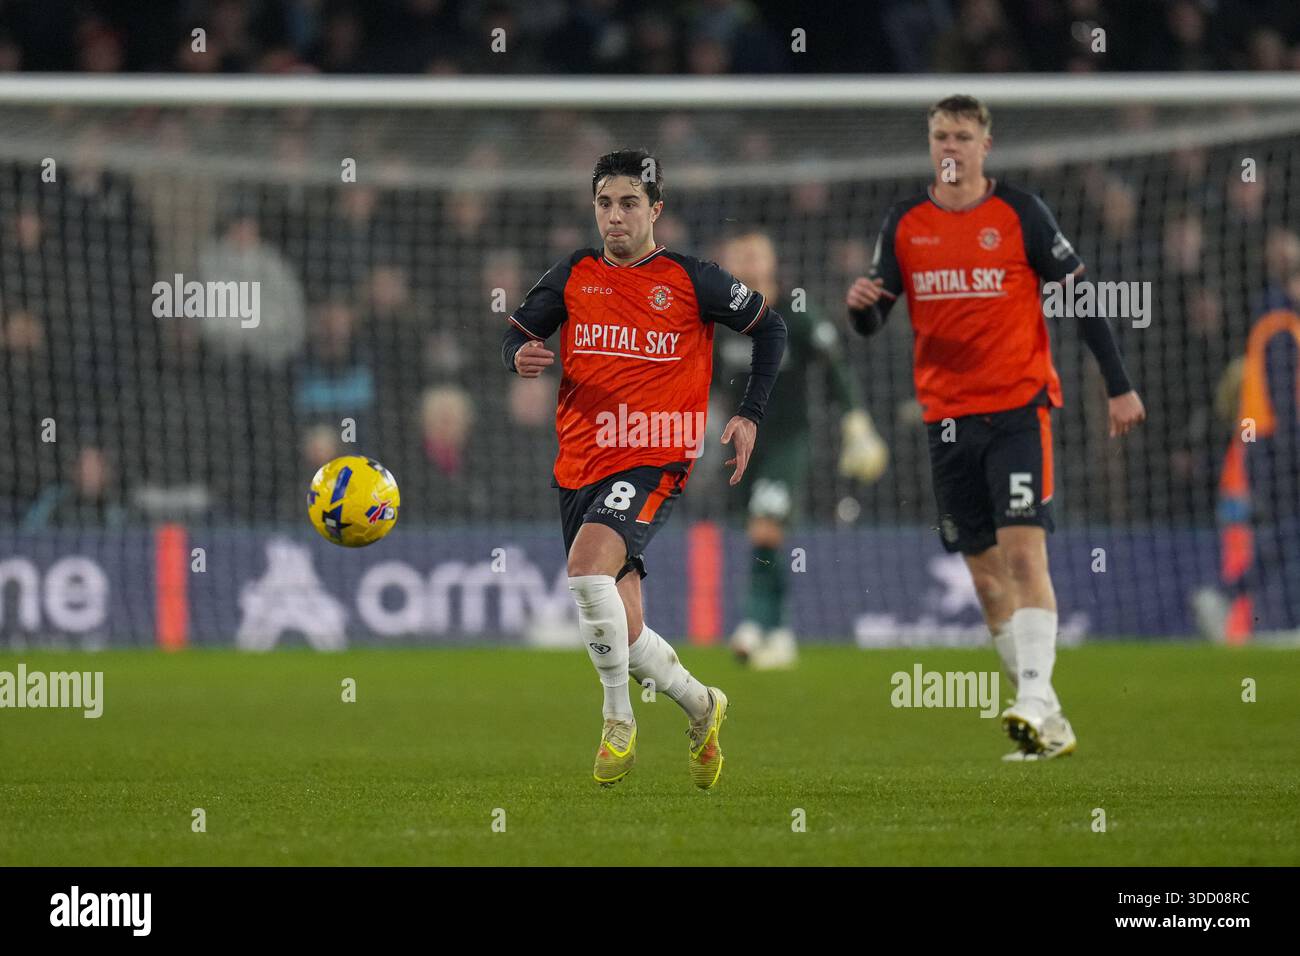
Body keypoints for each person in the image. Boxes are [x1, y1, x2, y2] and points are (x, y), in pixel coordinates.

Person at [846, 95, 1145, 760]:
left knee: (1022, 555)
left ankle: (1034, 696)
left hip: (1017, 406)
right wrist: (861, 308)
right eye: (940, 137)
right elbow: (876, 317)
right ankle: (1051, 719)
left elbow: (1081, 296)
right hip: (946, 420)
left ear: (986, 145)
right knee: (984, 579)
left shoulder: (1020, 213)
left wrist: (1117, 384)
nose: (950, 148)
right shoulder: (905, 222)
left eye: (961, 136)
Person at [501, 149, 787, 788]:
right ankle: (701, 704)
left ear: (655, 210)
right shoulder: (574, 272)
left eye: (629, 203)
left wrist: (749, 415)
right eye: (604, 203)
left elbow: (772, 330)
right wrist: (517, 355)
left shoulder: (694, 279)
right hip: (579, 462)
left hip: (656, 455)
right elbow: (516, 332)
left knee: (584, 569)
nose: (615, 216)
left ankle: (616, 720)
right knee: (622, 630)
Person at [714, 228, 888, 669]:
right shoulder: (718, 322)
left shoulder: (798, 311)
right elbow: (704, 382)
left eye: (757, 255)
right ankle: (782, 634)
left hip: (788, 441)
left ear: (771, 262)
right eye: (741, 257)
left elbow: (834, 368)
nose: (749, 264)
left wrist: (856, 421)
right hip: (739, 448)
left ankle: (754, 624)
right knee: (760, 534)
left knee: (765, 528)